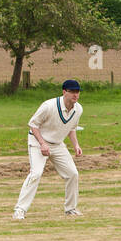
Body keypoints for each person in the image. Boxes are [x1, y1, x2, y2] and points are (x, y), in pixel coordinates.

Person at [13, 79, 83, 220]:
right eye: (72, 92)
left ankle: (70, 209)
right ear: (64, 92)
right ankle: (20, 210)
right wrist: (42, 144)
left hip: (57, 144)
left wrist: (76, 145)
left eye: (77, 92)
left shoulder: (78, 109)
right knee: (36, 174)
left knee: (72, 174)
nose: (75, 95)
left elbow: (71, 128)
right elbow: (33, 125)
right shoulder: (49, 106)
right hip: (38, 142)